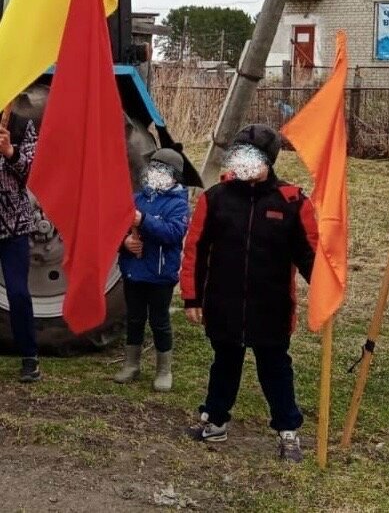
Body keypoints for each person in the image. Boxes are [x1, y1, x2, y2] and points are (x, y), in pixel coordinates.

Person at [180, 124, 318, 463]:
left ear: (269, 161)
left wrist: (325, 289)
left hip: (271, 307)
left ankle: (288, 431)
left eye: (253, 157)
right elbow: (195, 249)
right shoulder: (215, 199)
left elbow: (310, 255)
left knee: (275, 368)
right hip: (223, 304)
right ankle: (214, 421)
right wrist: (192, 297)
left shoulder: (292, 202)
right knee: (224, 363)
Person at [114, 148, 189, 391]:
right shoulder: (136, 200)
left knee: (160, 321)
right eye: (154, 168)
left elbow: (172, 234)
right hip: (134, 271)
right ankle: (131, 364)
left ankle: (163, 369)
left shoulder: (178, 205)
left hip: (160, 276)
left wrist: (143, 221)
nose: (156, 174)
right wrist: (125, 242)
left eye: (163, 171)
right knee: (134, 318)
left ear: (175, 177)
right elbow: (116, 230)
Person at [0, 111, 40, 382]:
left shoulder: (21, 122)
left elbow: (34, 173)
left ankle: (29, 358)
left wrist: (9, 151)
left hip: (13, 227)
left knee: (17, 294)